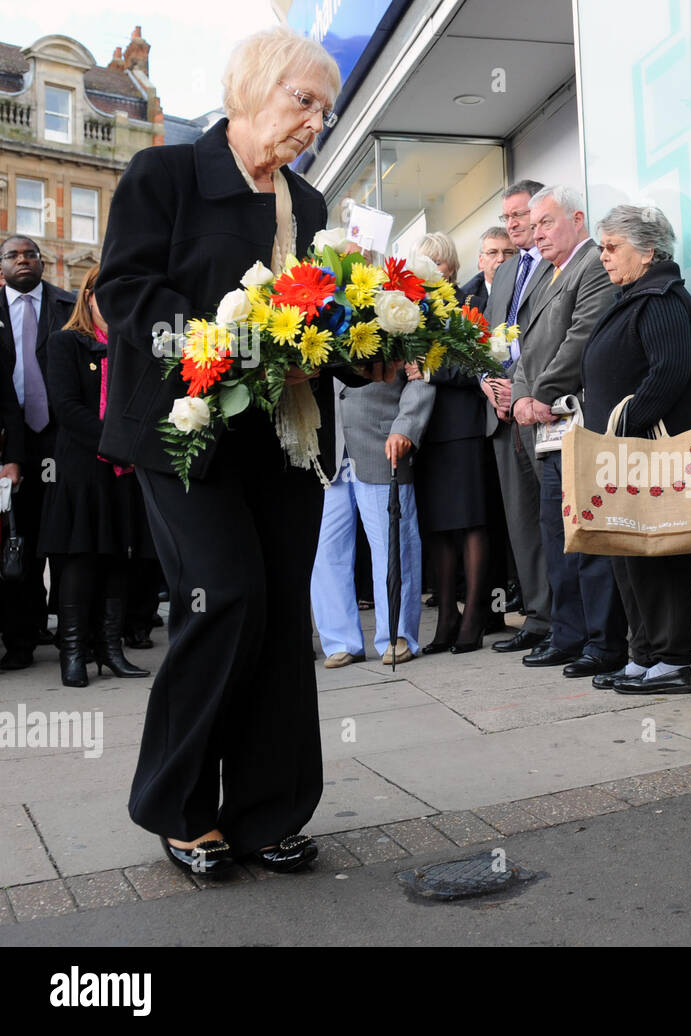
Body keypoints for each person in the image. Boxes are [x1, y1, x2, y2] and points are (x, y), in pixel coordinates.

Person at [96, 26, 374, 876]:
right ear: (252, 88)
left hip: (285, 438)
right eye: (304, 100)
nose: (315, 121)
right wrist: (226, 344)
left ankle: (267, 811)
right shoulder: (165, 174)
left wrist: (367, 349)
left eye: (325, 110)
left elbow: (319, 323)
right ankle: (177, 807)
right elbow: (125, 291)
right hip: (186, 433)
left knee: (282, 616)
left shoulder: (309, 205)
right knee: (224, 598)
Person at [581, 205, 691, 695]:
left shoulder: (662, 297)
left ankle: (673, 662)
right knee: (629, 552)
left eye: (613, 247)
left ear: (648, 250)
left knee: (659, 553)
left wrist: (626, 423)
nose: (604, 256)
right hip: (625, 454)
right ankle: (644, 655)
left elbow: (669, 372)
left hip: (648, 452)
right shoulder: (634, 296)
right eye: (602, 247)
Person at [511, 185, 624, 676]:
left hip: (579, 420)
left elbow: (581, 338)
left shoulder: (592, 263)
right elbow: (523, 346)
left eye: (547, 222)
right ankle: (568, 634)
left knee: (589, 536)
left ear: (577, 219)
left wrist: (540, 393)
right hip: (547, 427)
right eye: (533, 224)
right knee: (556, 534)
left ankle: (603, 644)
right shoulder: (546, 273)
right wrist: (520, 396)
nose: (537, 233)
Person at [39, 263, 152, 687]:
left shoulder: (132, 345)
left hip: (124, 471)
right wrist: (116, 440)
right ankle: (73, 652)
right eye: (105, 295)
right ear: (88, 298)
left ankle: (110, 649)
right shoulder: (65, 342)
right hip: (81, 469)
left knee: (119, 558)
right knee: (80, 560)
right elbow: (66, 408)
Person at [311, 366, 432, 667]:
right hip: (325, 451)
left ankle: (397, 634)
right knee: (325, 552)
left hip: (383, 442)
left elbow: (422, 377)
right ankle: (340, 642)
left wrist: (407, 426)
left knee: (393, 545)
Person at [409, 233, 494, 653]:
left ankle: (474, 615)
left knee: (471, 522)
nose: (431, 270)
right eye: (424, 262)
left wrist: (429, 370)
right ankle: (446, 617)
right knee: (437, 527)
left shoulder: (469, 305)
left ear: (452, 267)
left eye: (438, 262)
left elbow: (479, 366)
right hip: (427, 431)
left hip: (462, 427)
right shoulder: (411, 311)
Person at [482, 179, 554, 656]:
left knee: (553, 520)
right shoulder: (506, 271)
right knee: (522, 522)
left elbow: (552, 338)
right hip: (501, 413)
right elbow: (489, 340)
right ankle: (538, 617)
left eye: (519, 214)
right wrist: (488, 384)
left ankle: (567, 622)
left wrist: (522, 389)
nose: (511, 224)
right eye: (506, 217)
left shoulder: (556, 263)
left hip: (541, 408)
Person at [0, 237, 75, 669]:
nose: (23, 260)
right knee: (20, 539)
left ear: (42, 262)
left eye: (30, 254)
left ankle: (73, 633)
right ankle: (21, 639)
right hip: (14, 442)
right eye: (13, 255)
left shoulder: (67, 306)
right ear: (2, 266)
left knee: (67, 537)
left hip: (63, 437)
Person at [460, 227, 515, 313]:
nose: (501, 259)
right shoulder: (464, 301)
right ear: (481, 261)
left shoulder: (528, 289)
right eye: (492, 252)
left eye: (508, 252)